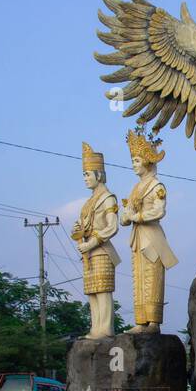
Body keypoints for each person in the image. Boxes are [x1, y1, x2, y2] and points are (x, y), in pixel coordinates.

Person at [120, 128, 178, 333]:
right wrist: (126, 217)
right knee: (138, 277)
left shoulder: (157, 185)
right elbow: (125, 214)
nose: (134, 165)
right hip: (137, 236)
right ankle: (140, 321)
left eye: (137, 160)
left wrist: (139, 217)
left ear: (147, 161)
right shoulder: (135, 188)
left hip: (152, 237)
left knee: (152, 276)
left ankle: (153, 322)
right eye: (133, 160)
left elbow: (160, 210)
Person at [71, 142, 121, 339]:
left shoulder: (108, 198)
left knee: (103, 290)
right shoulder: (88, 203)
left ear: (99, 175)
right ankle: (95, 328)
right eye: (84, 175)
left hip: (101, 249)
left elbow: (112, 226)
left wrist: (92, 242)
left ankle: (106, 328)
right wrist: (77, 231)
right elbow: (84, 226)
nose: (85, 178)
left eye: (88, 174)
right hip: (88, 253)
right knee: (91, 292)